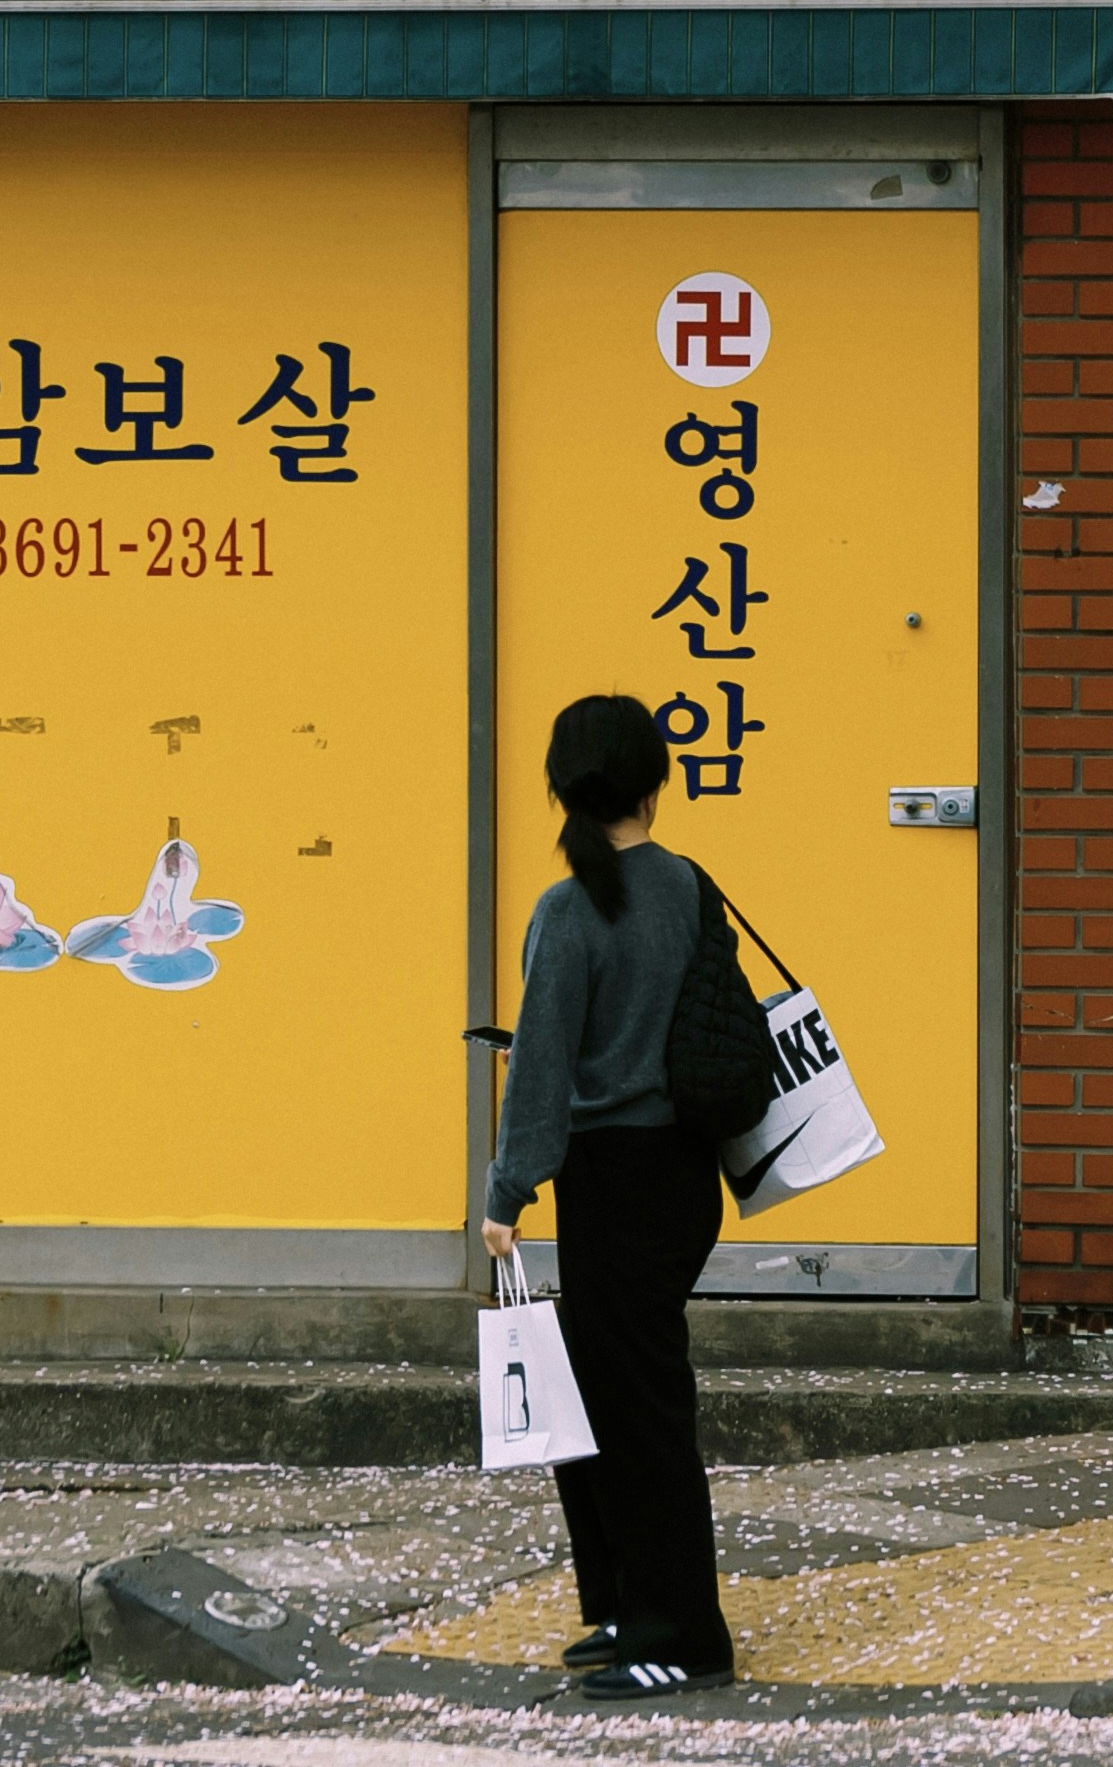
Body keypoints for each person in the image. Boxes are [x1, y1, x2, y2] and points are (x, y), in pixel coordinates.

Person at [483, 691, 736, 1699]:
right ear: (654, 780)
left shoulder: (569, 908)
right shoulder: (687, 884)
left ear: (562, 786)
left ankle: (687, 1636)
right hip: (680, 1176)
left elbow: (541, 1065)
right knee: (614, 1404)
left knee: (637, 1415)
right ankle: (633, 1607)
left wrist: (506, 1189)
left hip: (613, 1185)